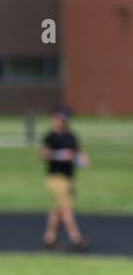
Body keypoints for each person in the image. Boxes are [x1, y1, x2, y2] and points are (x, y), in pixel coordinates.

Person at [41, 106, 89, 251]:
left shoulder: (71, 136)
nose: (64, 121)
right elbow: (44, 154)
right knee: (67, 208)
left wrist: (81, 159)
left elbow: (78, 153)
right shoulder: (50, 137)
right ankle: (76, 237)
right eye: (62, 118)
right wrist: (61, 155)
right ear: (55, 118)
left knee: (58, 209)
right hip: (55, 178)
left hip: (69, 179)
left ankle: (49, 237)